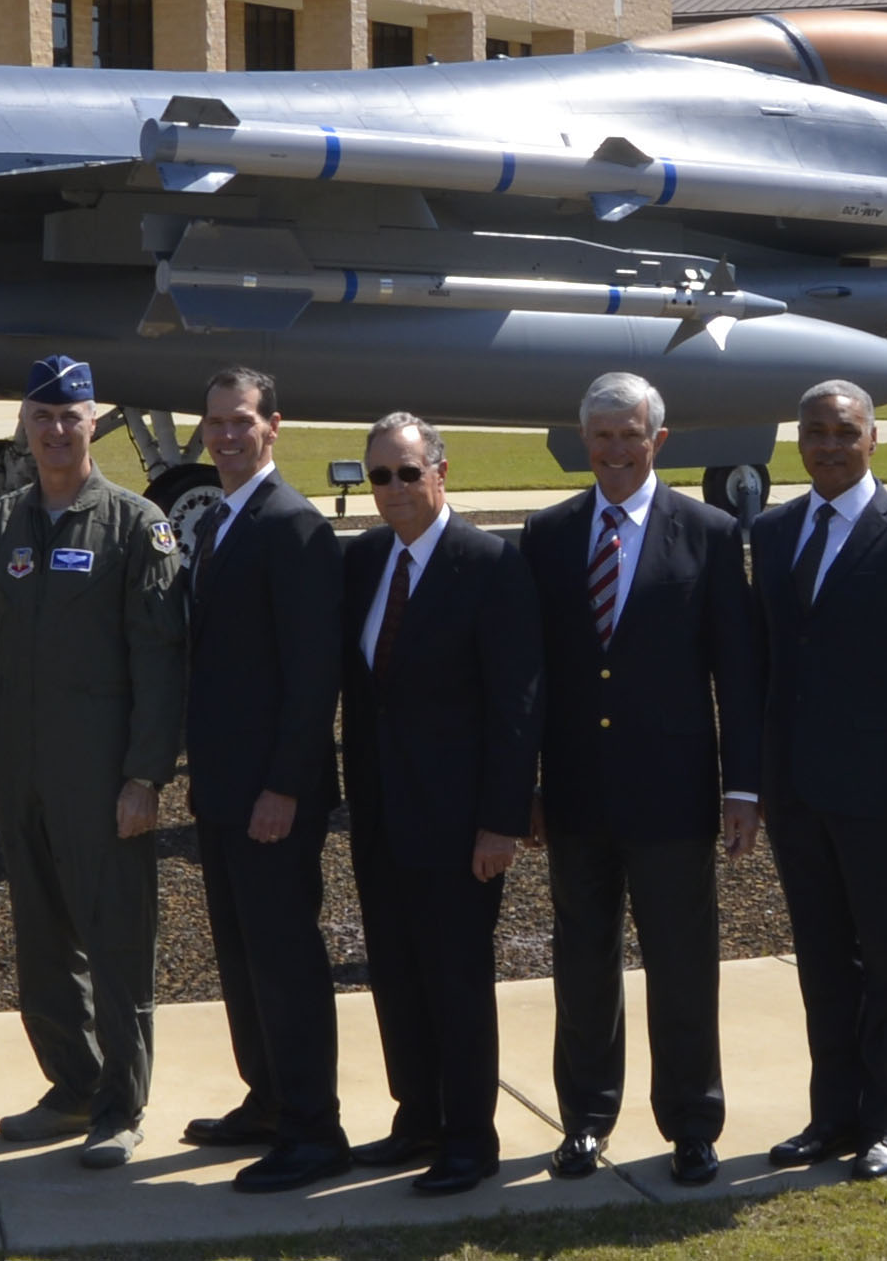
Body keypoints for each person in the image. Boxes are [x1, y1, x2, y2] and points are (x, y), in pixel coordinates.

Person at [522, 373, 762, 1188]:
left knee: (682, 965)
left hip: (673, 792)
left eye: (630, 436)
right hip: (577, 795)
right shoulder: (546, 535)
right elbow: (533, 678)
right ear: (581, 441)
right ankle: (585, 1121)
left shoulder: (710, 533)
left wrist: (743, 788)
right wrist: (526, 782)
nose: (615, 451)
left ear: (658, 440)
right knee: (582, 965)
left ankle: (692, 1123)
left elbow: (737, 672)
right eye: (601, 436)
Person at [0, 356, 189, 1168]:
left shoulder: (134, 525)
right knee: (42, 938)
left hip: (102, 773)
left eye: (71, 416)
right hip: (19, 770)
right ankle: (71, 1085)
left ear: (93, 422)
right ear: (24, 427)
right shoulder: (1, 523)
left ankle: (121, 1106)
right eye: (41, 417)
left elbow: (160, 659)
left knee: (117, 938)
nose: (56, 431)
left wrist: (145, 776)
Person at [753, 379, 887, 1184]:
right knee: (818, 960)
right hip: (796, 795)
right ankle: (831, 1112)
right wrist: (755, 783)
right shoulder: (772, 533)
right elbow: (767, 666)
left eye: (843, 432)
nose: (828, 446)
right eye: (814, 433)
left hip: (884, 798)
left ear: (871, 439)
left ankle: (884, 1119)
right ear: (796, 442)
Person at [338, 412, 542, 1197]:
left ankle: (468, 1136)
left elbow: (516, 704)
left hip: (461, 823)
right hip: (380, 812)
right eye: (378, 476)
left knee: (455, 978)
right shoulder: (362, 563)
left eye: (407, 473)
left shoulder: (488, 563)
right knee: (394, 971)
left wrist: (500, 818)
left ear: (440, 473)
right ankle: (415, 1115)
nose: (393, 490)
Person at [179, 366, 351, 1193]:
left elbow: (313, 675)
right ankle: (269, 1099)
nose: (225, 435)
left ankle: (314, 1127)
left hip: (271, 797)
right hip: (221, 789)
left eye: (240, 421)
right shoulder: (220, 518)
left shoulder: (291, 526)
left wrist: (285, 785)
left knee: (284, 959)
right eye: (214, 422)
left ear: (272, 426)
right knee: (241, 956)